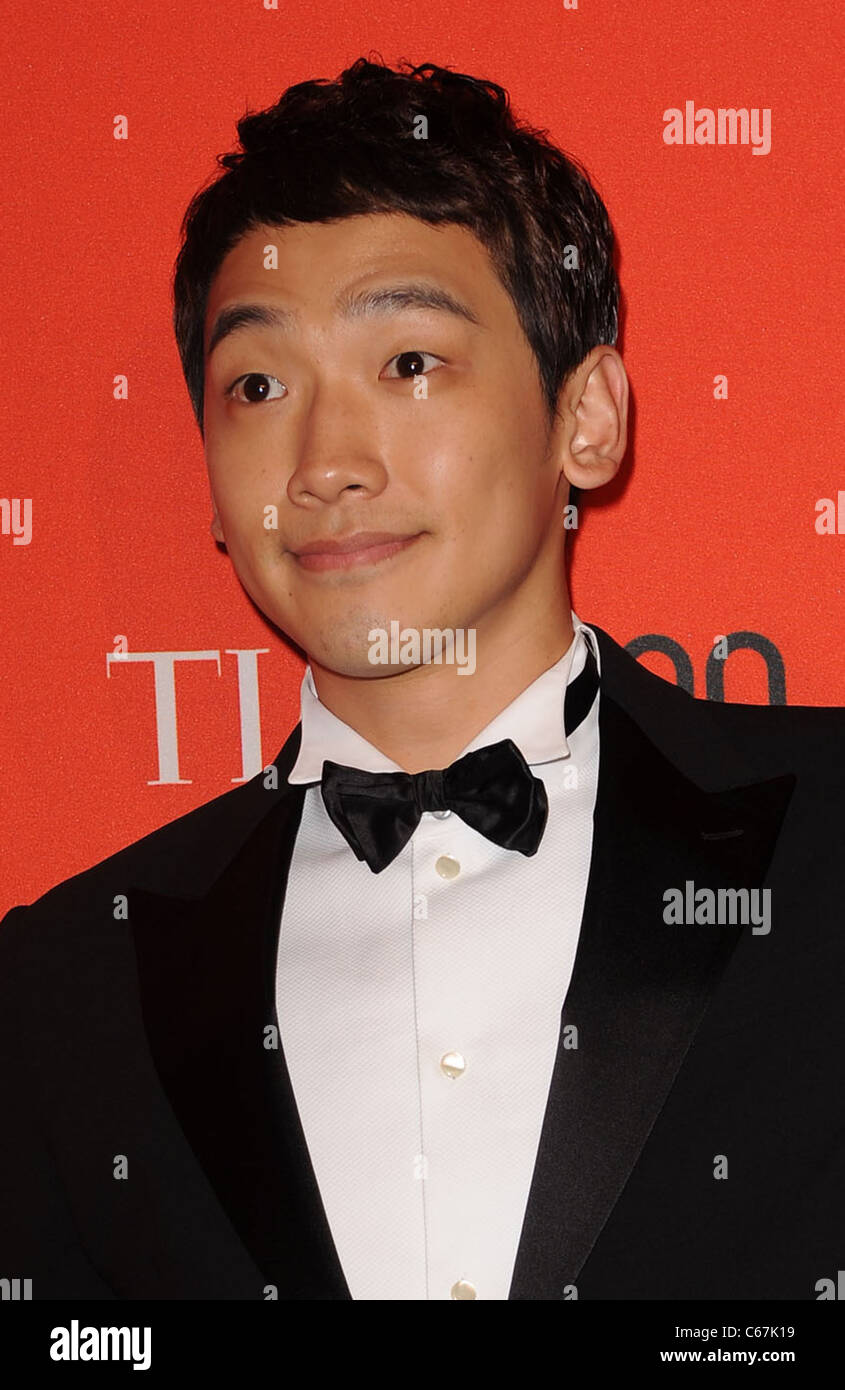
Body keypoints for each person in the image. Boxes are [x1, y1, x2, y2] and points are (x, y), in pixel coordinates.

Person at [1, 57, 842, 1302]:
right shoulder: (65, 983)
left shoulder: (824, 842)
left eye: (407, 363)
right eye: (257, 385)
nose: (326, 462)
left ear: (585, 418)